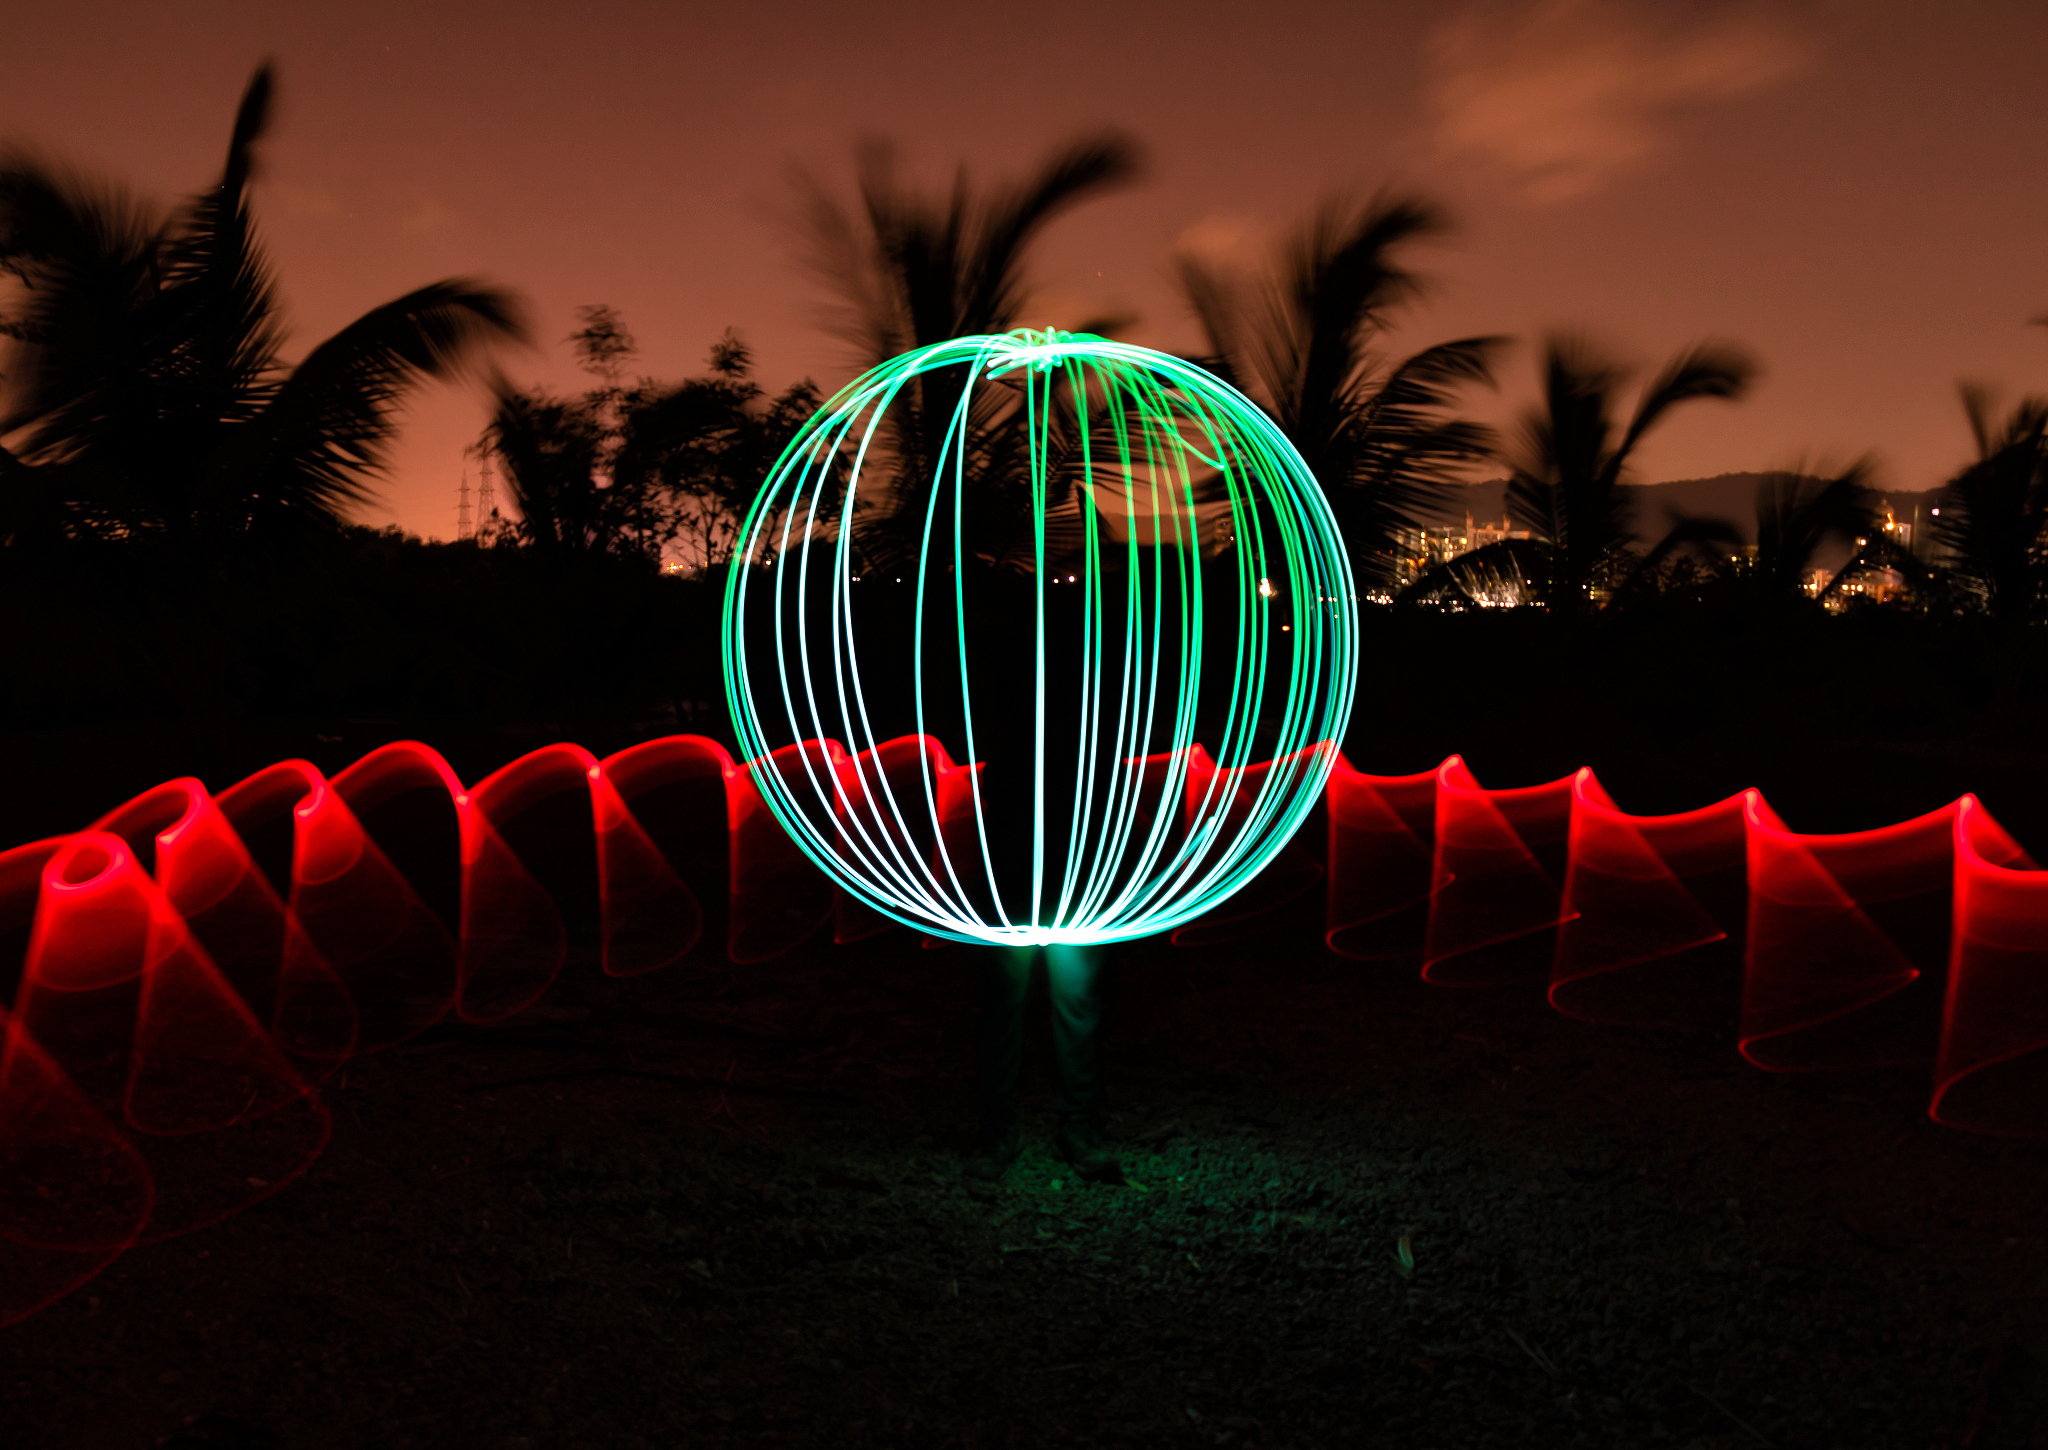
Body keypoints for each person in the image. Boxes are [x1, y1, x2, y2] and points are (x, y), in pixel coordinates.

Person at [968, 941, 1120, 1183]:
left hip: (1070, 905)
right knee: (1000, 1004)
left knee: (1078, 1002)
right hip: (1011, 906)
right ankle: (998, 1128)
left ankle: (1079, 1126)